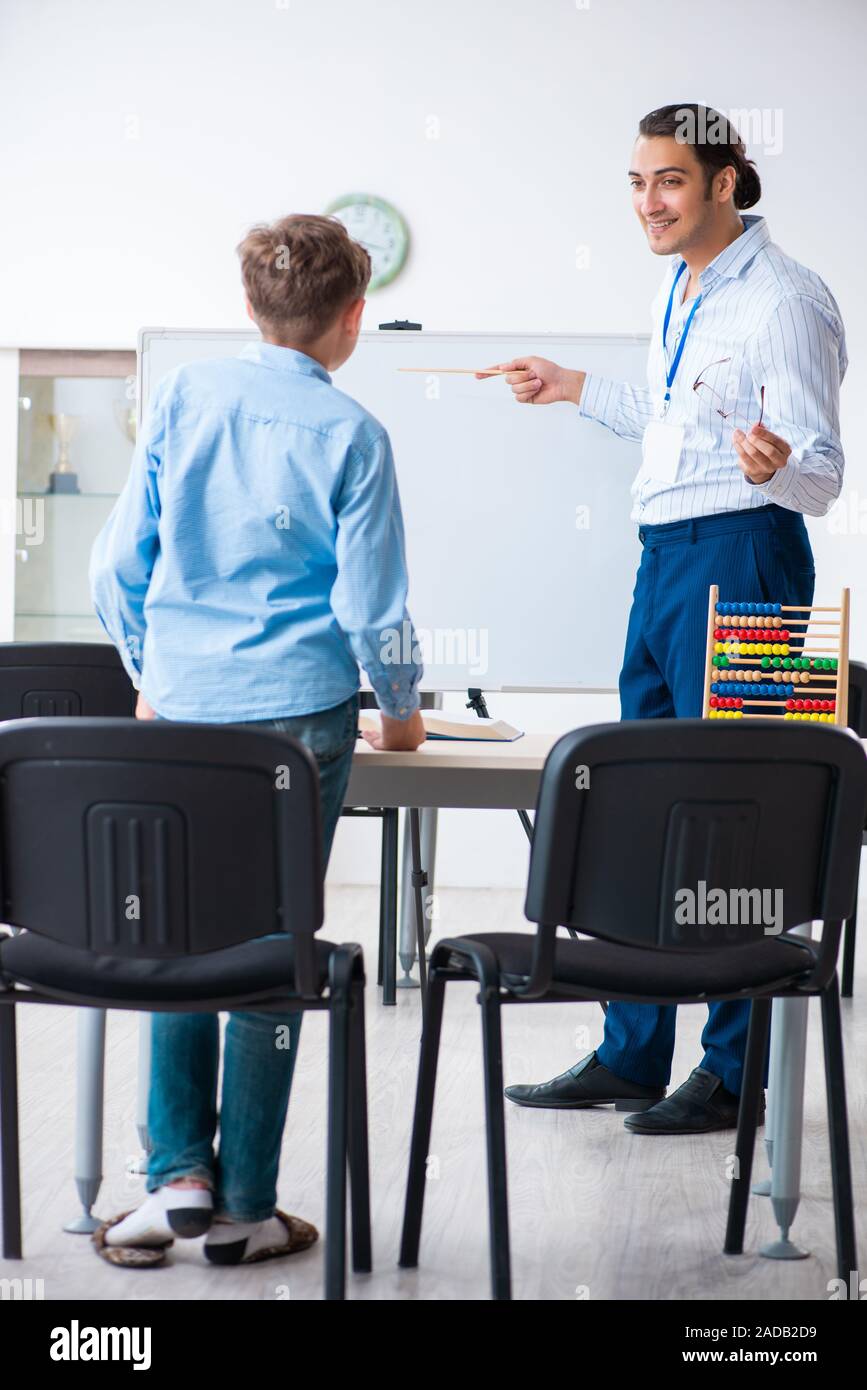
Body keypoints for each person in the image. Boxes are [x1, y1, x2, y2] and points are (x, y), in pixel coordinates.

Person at [485, 104, 846, 1134]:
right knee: (640, 803)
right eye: (639, 182)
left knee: (742, 812)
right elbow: (675, 414)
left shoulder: (787, 299)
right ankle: (633, 1051)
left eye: (671, 181)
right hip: (666, 560)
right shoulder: (681, 286)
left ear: (726, 181)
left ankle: (735, 1070)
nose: (650, 201)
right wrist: (573, 388)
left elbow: (822, 474)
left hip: (751, 554)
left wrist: (784, 468)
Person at [89, 213, 425, 1264]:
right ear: (353, 320)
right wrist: (403, 707)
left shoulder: (186, 396)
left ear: (248, 306)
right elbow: (374, 612)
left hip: (185, 711)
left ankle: (174, 1178)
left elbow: (114, 571)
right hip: (301, 724)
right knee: (272, 945)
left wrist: (152, 672)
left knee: (178, 933)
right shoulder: (356, 435)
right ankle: (246, 1206)